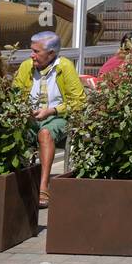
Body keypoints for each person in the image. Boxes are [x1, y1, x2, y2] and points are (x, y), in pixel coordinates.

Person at [12, 31, 85, 209]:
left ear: (51, 53)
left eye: (36, 51)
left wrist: (52, 110)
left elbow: (79, 102)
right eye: (31, 50)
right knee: (9, 130)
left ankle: (43, 186)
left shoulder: (64, 66)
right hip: (30, 117)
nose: (32, 55)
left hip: (57, 117)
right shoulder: (26, 66)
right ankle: (16, 184)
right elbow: (14, 94)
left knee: (45, 133)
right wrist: (23, 109)